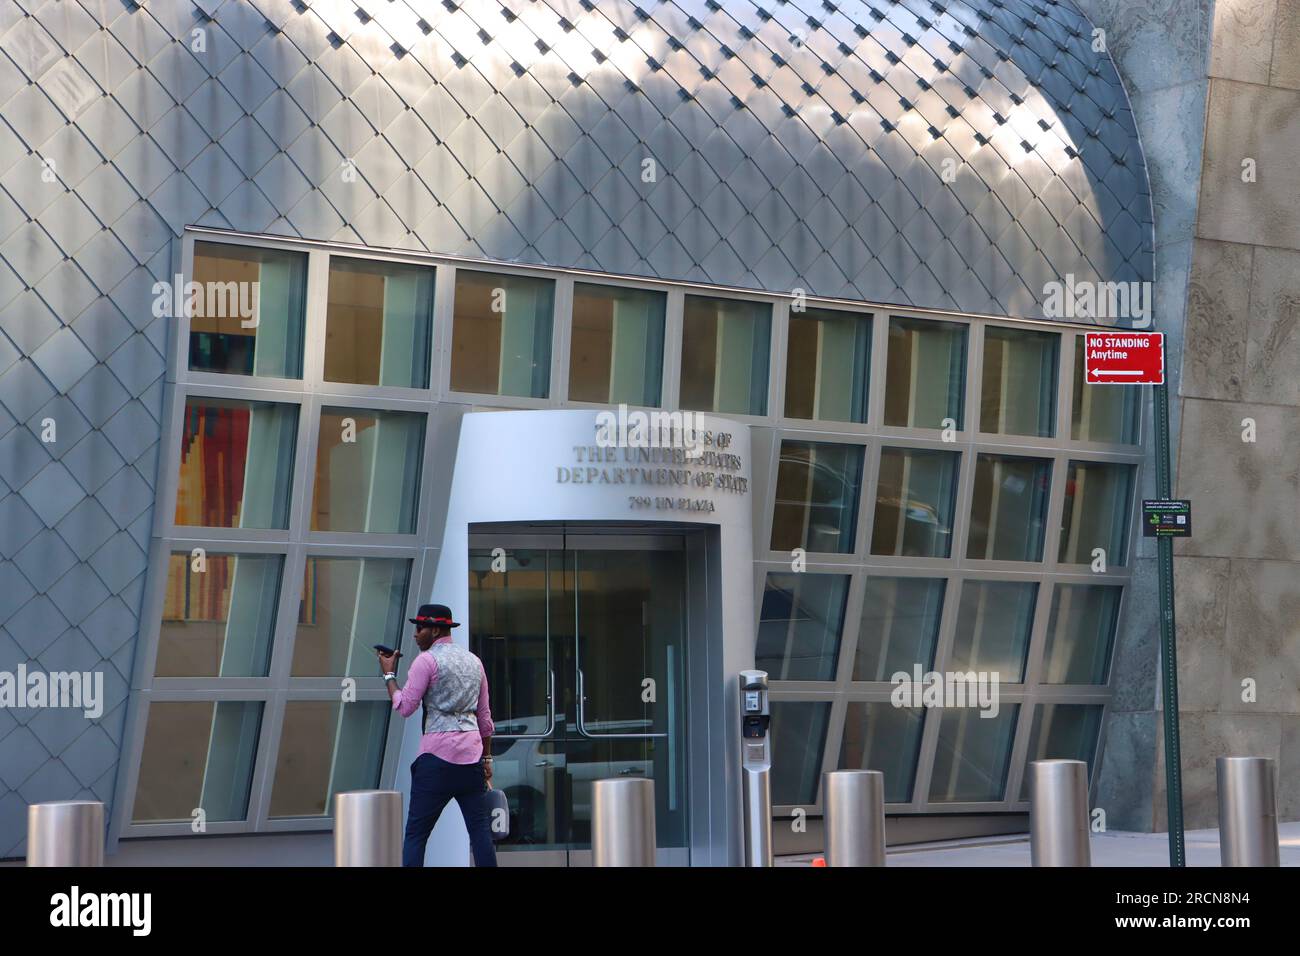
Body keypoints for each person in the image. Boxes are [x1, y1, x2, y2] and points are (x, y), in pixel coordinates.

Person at [378, 603, 497, 867]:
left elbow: (405, 706)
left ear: (433, 630)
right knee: (479, 833)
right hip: (471, 760)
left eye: (419, 628)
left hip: (437, 760)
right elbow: (485, 720)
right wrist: (487, 760)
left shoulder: (426, 661)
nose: (415, 634)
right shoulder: (474, 662)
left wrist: (389, 674)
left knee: (416, 835)